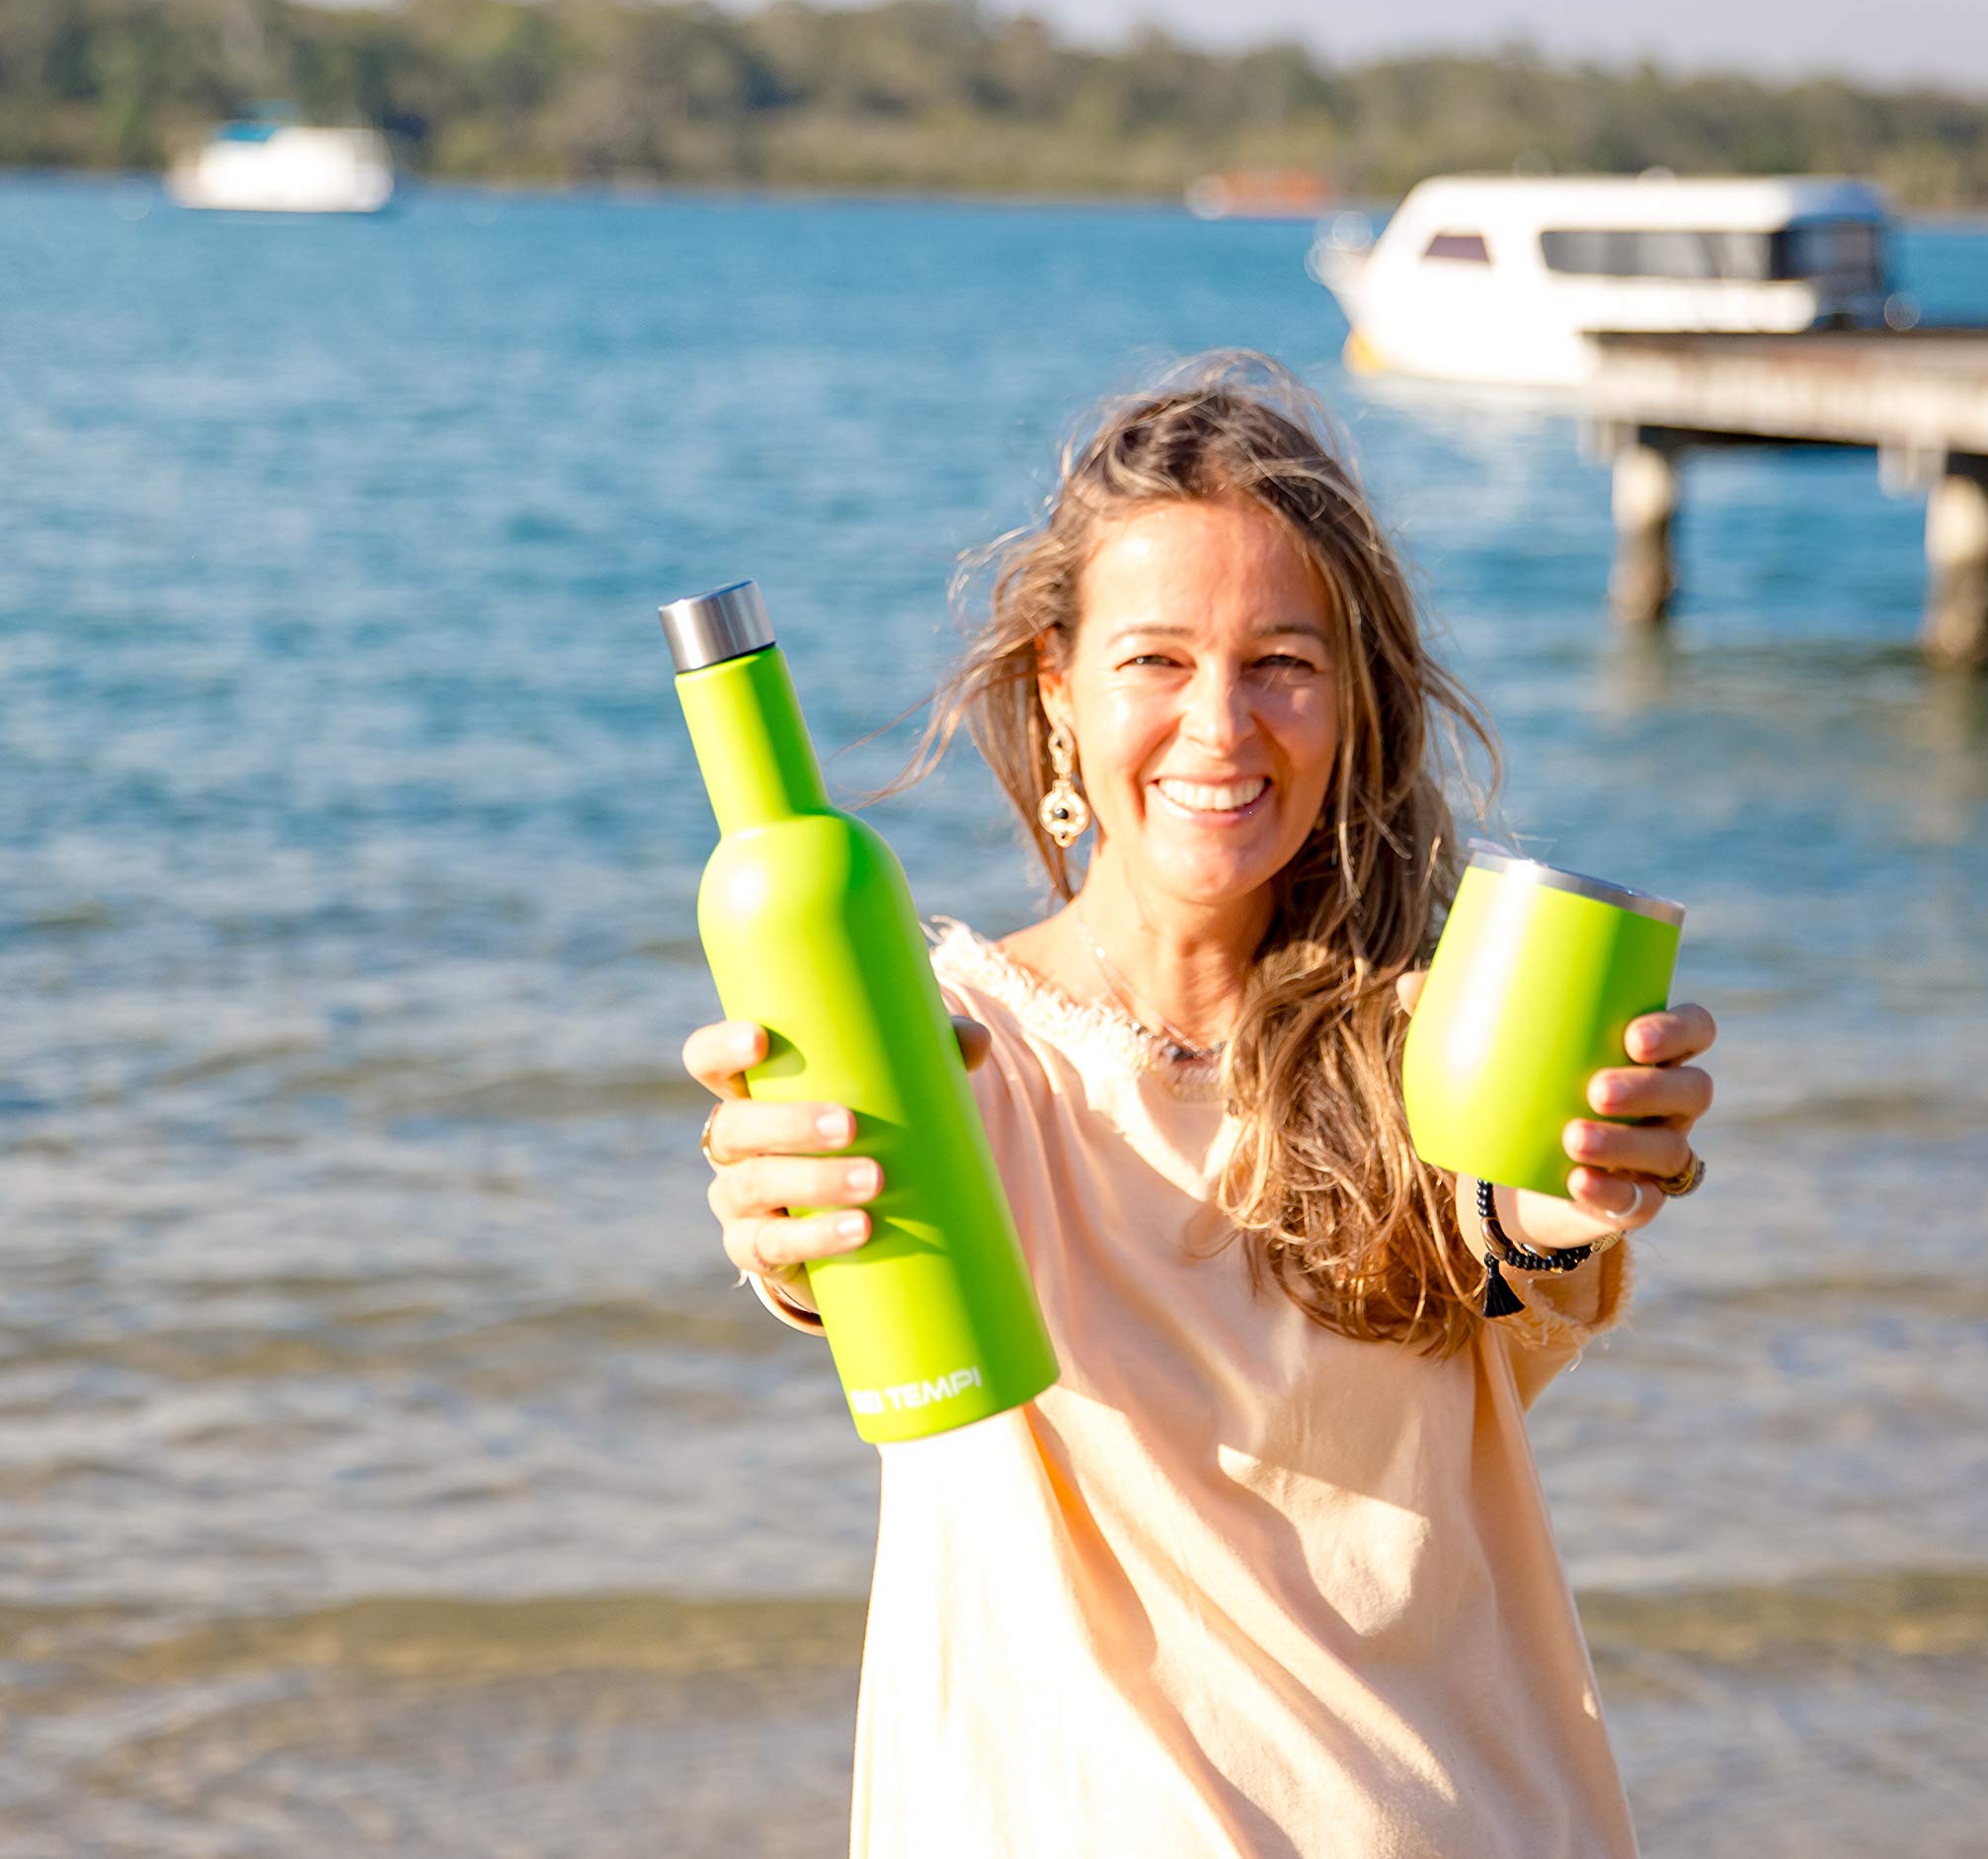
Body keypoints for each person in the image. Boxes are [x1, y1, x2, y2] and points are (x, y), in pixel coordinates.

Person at [687, 358, 1716, 1858]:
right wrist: (780, 1217)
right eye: (1156, 660)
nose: (1221, 726)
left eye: (1281, 660)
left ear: (1354, 698)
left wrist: (1593, 1170)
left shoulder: (1430, 1041)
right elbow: (832, 1233)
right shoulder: (946, 1045)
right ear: (1057, 690)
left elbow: (1511, 1216)